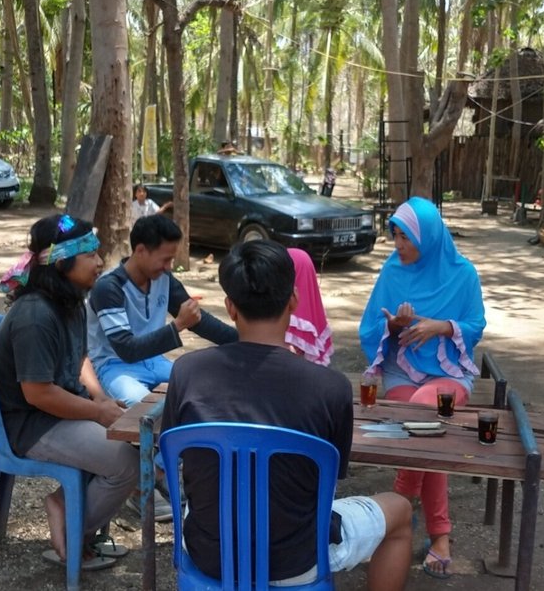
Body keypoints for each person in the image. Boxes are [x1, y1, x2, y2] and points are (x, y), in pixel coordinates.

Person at [163, 240, 413, 590]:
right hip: (298, 561)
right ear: (293, 300)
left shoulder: (187, 372)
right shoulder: (330, 387)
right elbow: (332, 477)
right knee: (399, 510)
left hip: (209, 554)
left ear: (230, 307)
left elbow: (171, 456)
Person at [0, 214, 138, 571]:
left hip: (58, 412)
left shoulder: (71, 300)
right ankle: (74, 529)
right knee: (125, 462)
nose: (100, 262)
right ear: (62, 261)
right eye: (90, 254)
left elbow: (81, 357)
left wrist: (100, 398)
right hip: (31, 424)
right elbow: (39, 394)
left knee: (134, 437)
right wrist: (96, 412)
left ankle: (65, 504)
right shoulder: (35, 315)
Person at [358, 196, 486, 579]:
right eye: (395, 235)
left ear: (427, 237)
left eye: (405, 237)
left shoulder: (463, 274)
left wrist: (440, 326)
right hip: (403, 372)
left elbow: (476, 324)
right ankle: (440, 535)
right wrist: (395, 325)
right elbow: (370, 327)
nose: (398, 245)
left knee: (419, 415)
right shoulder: (392, 271)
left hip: (449, 376)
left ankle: (397, 510)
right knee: (425, 431)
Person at [87, 214, 238, 519]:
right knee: (145, 412)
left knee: (203, 398)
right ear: (140, 250)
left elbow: (198, 321)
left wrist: (244, 340)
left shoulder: (163, 279)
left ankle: (155, 474)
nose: (169, 266)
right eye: (165, 259)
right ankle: (142, 486)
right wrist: (177, 326)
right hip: (114, 365)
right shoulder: (109, 288)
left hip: (152, 360)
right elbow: (126, 349)